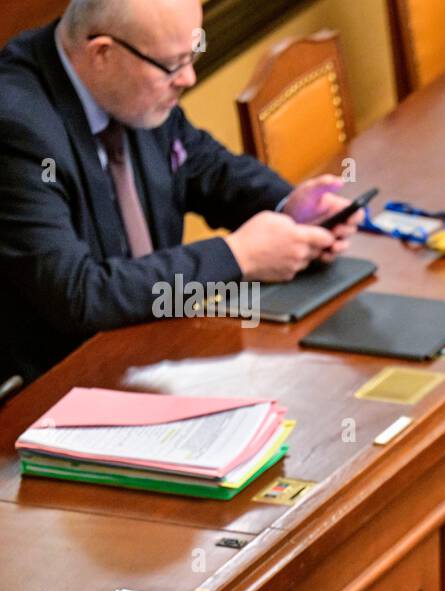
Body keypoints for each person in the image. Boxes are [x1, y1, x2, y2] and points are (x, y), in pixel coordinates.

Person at [0, 0, 363, 384]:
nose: (189, 78)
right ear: (102, 53)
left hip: (157, 355)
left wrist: (288, 204)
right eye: (174, 65)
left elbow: (201, 165)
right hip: (55, 390)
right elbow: (79, 294)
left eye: (193, 55)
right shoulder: (17, 129)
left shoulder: (132, 83)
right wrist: (237, 257)